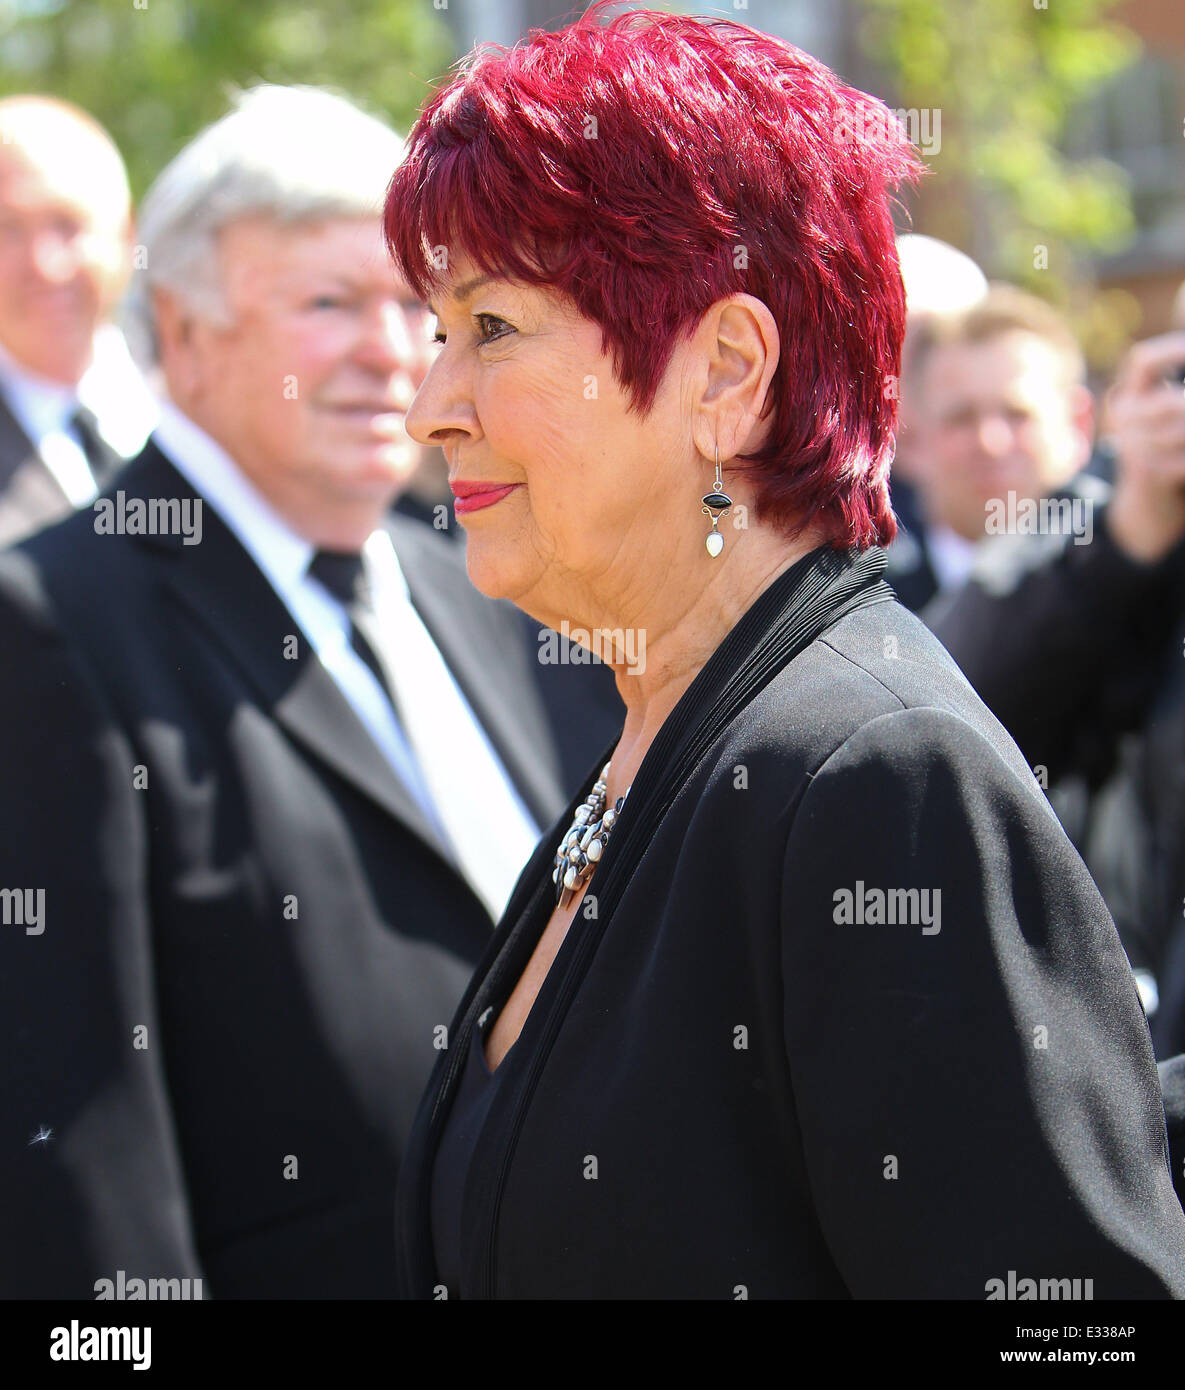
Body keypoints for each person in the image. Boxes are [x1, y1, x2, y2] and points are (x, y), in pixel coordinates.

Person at [383, 6, 1185, 1299]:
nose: (429, 405)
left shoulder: (875, 778)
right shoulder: (664, 730)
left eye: (492, 327)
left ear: (725, 372)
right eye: (436, 332)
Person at [0, 85, 568, 1299]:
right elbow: (73, 1149)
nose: (390, 349)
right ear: (184, 333)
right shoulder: (50, 623)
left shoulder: (479, 582)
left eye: (416, 309)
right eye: (327, 303)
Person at [886, 285, 1100, 611]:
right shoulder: (861, 605)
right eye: (960, 418)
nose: (990, 444)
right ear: (914, 437)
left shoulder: (1130, 589)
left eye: (1018, 415)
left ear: (1079, 424)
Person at [0, 96, 154, 546]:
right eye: (7, 228)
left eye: (66, 224)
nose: (43, 265)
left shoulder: (204, 404)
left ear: (127, 235)